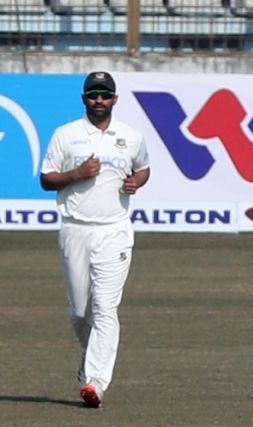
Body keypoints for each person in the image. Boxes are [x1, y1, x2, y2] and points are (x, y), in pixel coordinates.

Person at [39, 71, 150, 409]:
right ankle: (89, 362)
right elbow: (46, 179)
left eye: (105, 95)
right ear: (84, 99)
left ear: (114, 99)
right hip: (75, 228)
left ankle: (95, 382)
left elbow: (143, 168)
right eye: (93, 95)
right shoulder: (66, 134)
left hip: (114, 230)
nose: (99, 101)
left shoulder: (130, 136)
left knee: (105, 308)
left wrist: (137, 183)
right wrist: (77, 174)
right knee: (79, 311)